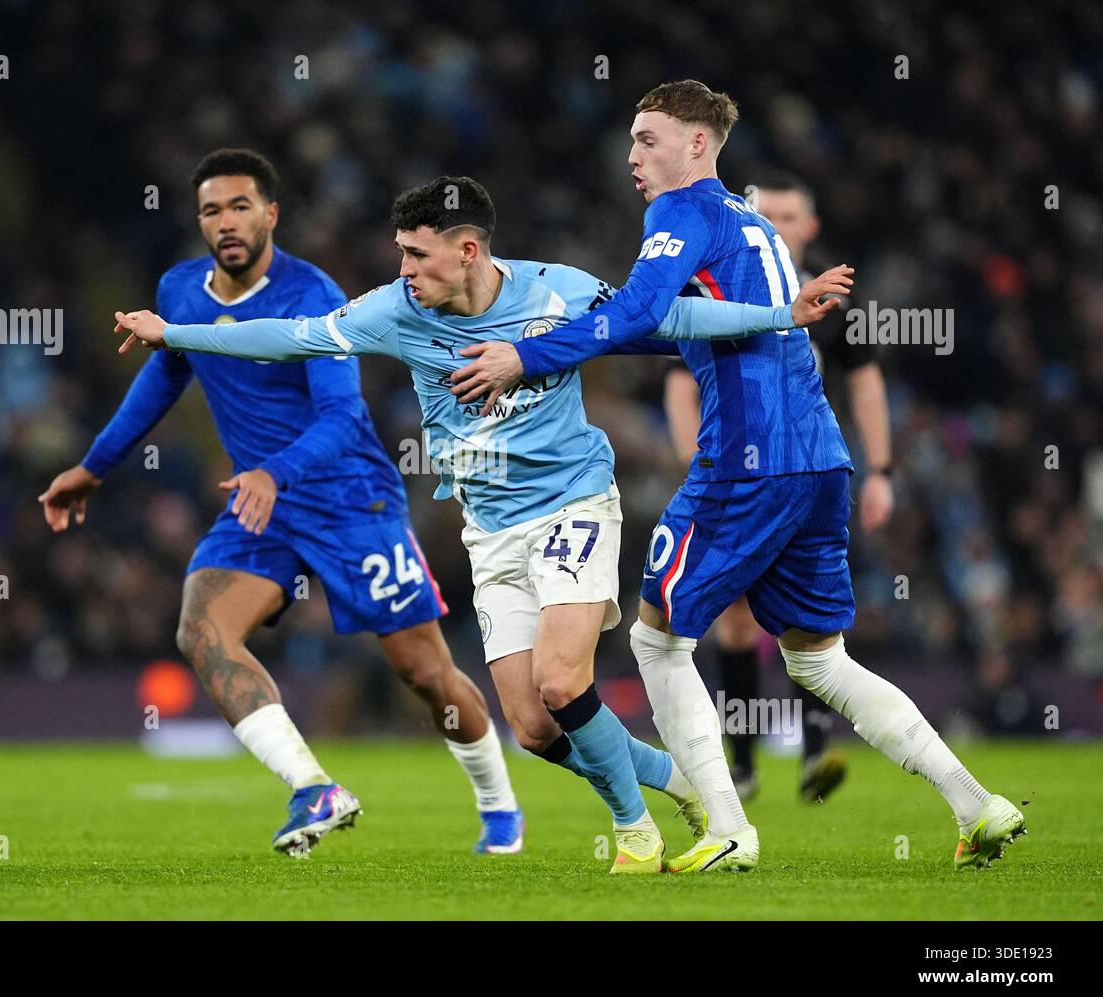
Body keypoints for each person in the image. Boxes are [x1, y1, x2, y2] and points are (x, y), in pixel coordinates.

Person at [111, 175, 848, 873]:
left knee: (563, 680)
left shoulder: (553, 291)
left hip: (574, 503)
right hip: (490, 530)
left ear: (468, 251)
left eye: (416, 253)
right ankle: (675, 778)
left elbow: (665, 316)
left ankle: (633, 828)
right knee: (532, 727)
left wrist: (782, 314)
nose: (402, 268)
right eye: (399, 251)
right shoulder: (394, 311)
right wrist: (175, 333)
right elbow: (292, 335)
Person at [450, 80, 1026, 871]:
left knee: (656, 640)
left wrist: (526, 353)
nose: (632, 156)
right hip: (820, 461)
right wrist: (574, 333)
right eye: (630, 140)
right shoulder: (753, 227)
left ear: (696, 144)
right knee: (820, 658)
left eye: (647, 139)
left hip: (747, 463)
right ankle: (977, 804)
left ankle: (726, 826)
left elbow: (643, 311)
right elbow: (680, 328)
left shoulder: (681, 212)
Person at [40, 149, 523, 859]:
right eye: (211, 209)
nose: (226, 222)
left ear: (271, 213)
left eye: (241, 206)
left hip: (349, 498)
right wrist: (94, 465)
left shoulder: (312, 295)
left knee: (424, 671)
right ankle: (313, 786)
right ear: (199, 221)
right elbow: (163, 376)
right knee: (201, 628)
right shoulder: (179, 291)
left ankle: (499, 805)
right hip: (262, 504)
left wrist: (275, 470)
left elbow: (340, 414)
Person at [663, 170, 894, 803]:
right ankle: (745, 760)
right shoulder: (721, 277)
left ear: (808, 226)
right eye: (767, 214)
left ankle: (815, 747)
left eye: (789, 218)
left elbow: (866, 378)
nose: (777, 227)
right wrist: (699, 463)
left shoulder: (831, 294)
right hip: (740, 471)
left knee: (809, 622)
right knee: (737, 621)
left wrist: (881, 470)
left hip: (810, 471)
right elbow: (681, 381)